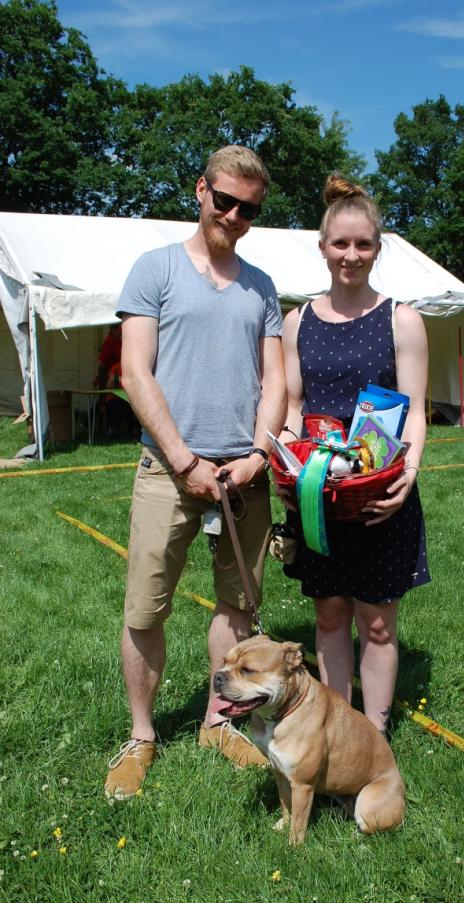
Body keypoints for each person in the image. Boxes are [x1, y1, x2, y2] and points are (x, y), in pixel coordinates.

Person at [104, 145, 287, 800]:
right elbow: (135, 373)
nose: (234, 216)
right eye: (225, 201)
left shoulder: (261, 286)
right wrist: (184, 460)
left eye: (249, 209)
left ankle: (220, 722)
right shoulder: (154, 269)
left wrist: (258, 456)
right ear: (201, 191)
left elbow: (275, 381)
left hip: (244, 477)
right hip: (168, 469)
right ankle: (142, 737)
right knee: (145, 609)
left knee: (237, 604)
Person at [279, 175, 430, 737]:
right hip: (318, 494)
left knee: (378, 623)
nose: (351, 255)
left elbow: (415, 411)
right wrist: (289, 465)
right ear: (322, 247)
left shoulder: (402, 319)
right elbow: (294, 405)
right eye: (340, 243)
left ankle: (375, 738)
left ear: (377, 249)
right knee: (329, 615)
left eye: (363, 244)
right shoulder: (297, 322)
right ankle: (338, 731)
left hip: (380, 493)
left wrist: (408, 473)